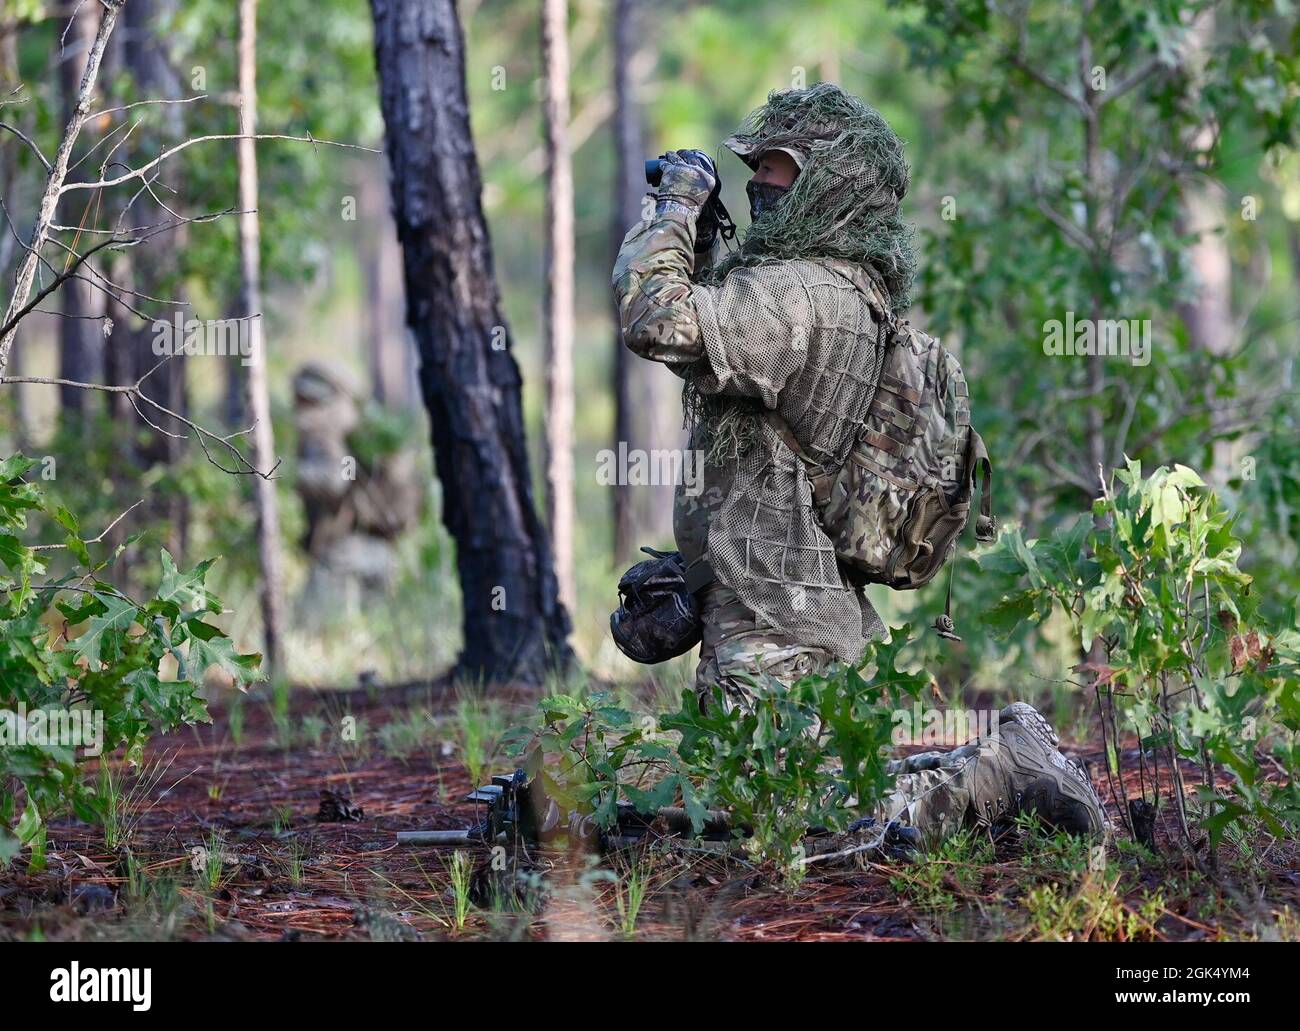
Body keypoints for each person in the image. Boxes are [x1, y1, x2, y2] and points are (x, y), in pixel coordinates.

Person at [612, 83, 1105, 842]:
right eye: (754, 168)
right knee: (758, 800)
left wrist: (674, 207)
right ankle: (1000, 760)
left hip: (782, 626)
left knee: (798, 821)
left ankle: (1004, 769)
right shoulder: (843, 290)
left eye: (776, 168)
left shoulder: (800, 293)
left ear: (831, 180)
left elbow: (657, 318)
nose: (757, 184)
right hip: (787, 610)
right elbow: (731, 373)